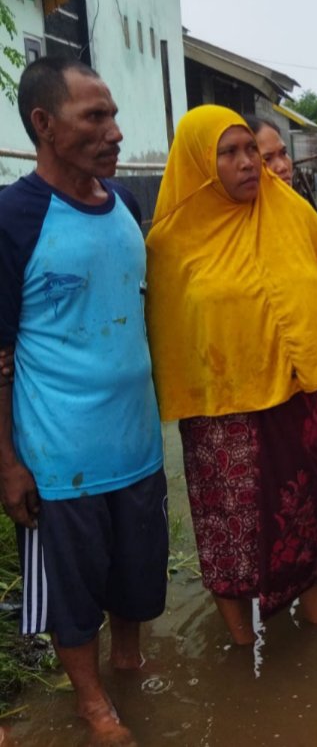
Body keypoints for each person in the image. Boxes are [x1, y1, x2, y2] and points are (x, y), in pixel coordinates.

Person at [145, 105, 317, 644]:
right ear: (200, 161)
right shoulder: (170, 245)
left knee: (308, 530)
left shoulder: (293, 214)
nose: (248, 163)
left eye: (252, 150)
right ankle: (241, 653)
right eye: (230, 152)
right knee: (230, 540)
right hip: (219, 416)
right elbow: (169, 338)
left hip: (295, 404)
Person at [0, 57, 167, 746]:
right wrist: (8, 462)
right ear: (43, 124)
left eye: (113, 115)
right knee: (71, 597)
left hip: (137, 445)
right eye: (94, 117)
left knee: (136, 578)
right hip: (60, 456)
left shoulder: (125, 203)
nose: (116, 132)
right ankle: (93, 704)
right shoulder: (13, 217)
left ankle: (128, 664)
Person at [243, 115, 317, 504]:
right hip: (268, 407)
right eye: (268, 159)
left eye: (283, 154)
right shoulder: (233, 240)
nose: (283, 166)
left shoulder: (306, 222)